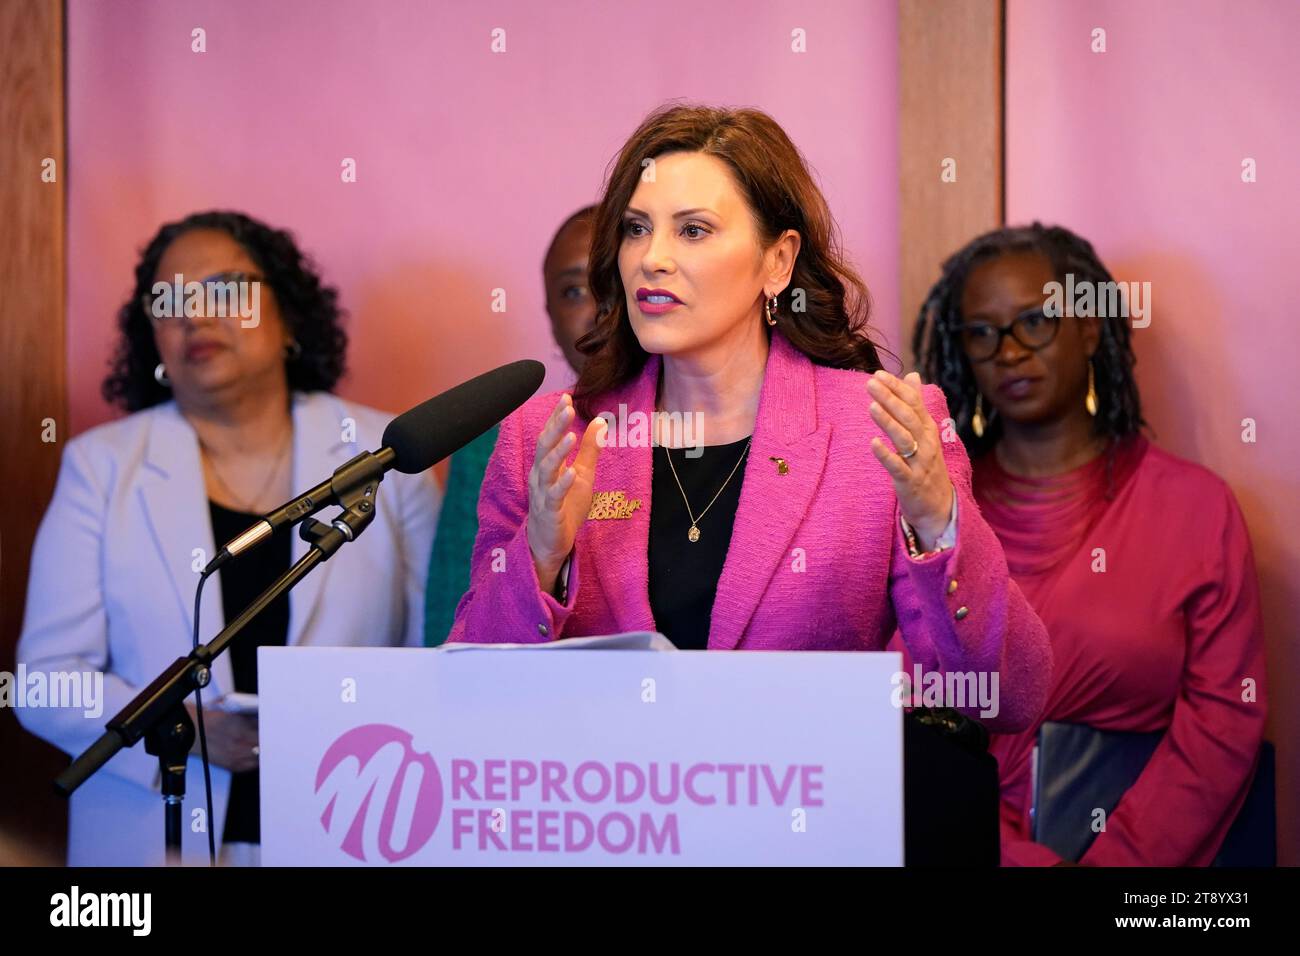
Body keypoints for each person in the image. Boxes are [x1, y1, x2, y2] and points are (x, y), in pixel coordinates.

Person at [447, 104, 1052, 735]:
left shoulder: (875, 429)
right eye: (635, 228)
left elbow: (1007, 700)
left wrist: (938, 525)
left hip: (801, 819)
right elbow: (470, 698)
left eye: (693, 231)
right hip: (610, 820)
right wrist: (541, 559)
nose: (651, 258)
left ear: (778, 262)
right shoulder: (550, 436)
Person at [17, 210, 440, 866]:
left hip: (351, 826)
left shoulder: (390, 460)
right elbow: (44, 681)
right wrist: (182, 731)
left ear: (289, 316)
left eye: (223, 290)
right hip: (152, 837)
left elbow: (434, 664)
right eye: (170, 299)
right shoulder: (99, 467)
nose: (194, 315)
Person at [912, 222, 1268, 865]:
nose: (1010, 350)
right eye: (982, 333)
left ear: (1088, 326)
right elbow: (908, 712)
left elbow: (1222, 722)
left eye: (1035, 322)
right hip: (959, 848)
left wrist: (1118, 863)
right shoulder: (935, 511)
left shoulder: (1196, 509)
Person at [424, 206, 598, 645]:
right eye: (573, 291)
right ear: (550, 316)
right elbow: (450, 637)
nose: (597, 310)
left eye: (612, 283)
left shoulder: (701, 428)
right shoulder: (493, 443)